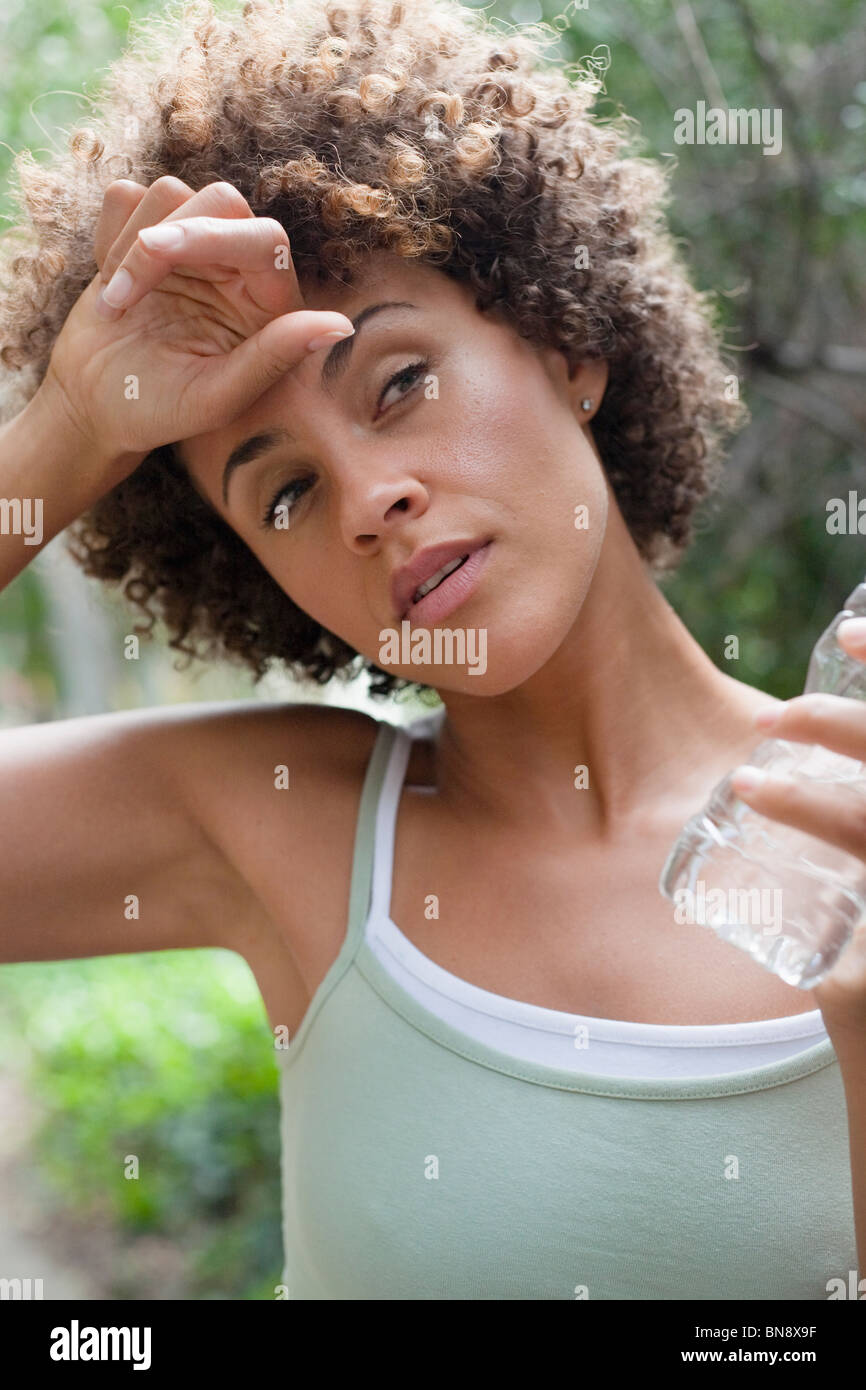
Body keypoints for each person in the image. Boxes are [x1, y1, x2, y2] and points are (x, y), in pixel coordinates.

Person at [1, 0, 864, 1300]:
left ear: (566, 337)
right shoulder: (280, 825)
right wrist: (68, 430)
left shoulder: (840, 818)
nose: (365, 501)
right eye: (282, 494)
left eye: (399, 380)